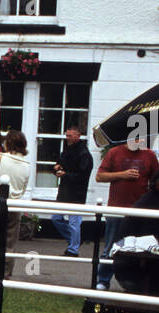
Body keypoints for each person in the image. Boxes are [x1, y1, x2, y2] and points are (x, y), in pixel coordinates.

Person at [95, 132, 159, 290]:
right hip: (117, 207)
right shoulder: (114, 153)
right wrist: (122, 175)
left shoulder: (149, 155)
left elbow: (156, 179)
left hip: (141, 212)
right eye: (139, 138)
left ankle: (137, 282)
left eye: (144, 138)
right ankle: (103, 280)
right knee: (110, 246)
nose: (142, 141)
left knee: (141, 248)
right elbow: (99, 177)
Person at [0, 129, 31, 277]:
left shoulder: (0, 158)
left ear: (8, 143)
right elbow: (22, 189)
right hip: (14, 207)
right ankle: (6, 274)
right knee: (9, 244)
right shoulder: (26, 165)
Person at [51, 124, 93, 258]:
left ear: (78, 136)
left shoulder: (84, 154)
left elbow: (83, 176)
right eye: (66, 135)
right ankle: (75, 241)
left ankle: (73, 249)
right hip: (64, 192)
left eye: (70, 136)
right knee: (56, 218)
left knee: (74, 222)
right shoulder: (67, 150)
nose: (67, 138)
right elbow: (60, 163)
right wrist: (56, 168)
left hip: (77, 194)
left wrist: (65, 174)